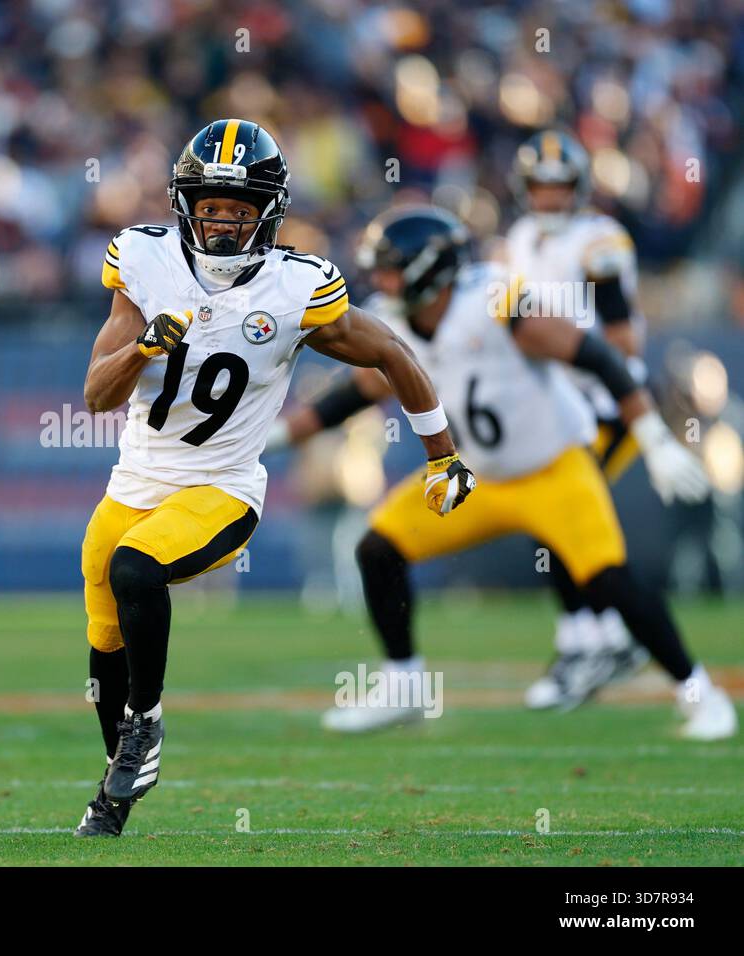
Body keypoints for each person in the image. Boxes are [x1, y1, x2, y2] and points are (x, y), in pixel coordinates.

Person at [73, 121, 475, 837]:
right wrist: (142, 348)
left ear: (269, 212)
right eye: (210, 206)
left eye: (240, 208)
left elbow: (393, 352)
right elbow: (98, 395)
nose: (223, 222)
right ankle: (112, 797)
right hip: (133, 483)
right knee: (105, 639)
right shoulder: (143, 261)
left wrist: (441, 454)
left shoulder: (295, 288)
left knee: (136, 569)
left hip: (222, 487)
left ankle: (147, 723)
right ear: (185, 205)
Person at [271, 206, 734, 741]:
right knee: (379, 548)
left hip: (553, 469)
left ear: (429, 270)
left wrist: (652, 437)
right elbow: (355, 395)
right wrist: (278, 437)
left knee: (610, 580)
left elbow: (598, 358)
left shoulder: (494, 302)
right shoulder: (395, 321)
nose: (382, 282)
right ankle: (404, 688)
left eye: (393, 269)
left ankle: (702, 696)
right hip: (479, 477)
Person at [502, 130, 710, 709]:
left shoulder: (599, 240)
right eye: (539, 186)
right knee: (553, 522)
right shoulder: (519, 238)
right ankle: (596, 640)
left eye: (559, 186)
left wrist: (610, 386)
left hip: (606, 404)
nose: (549, 197)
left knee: (563, 517)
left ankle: (595, 643)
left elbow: (620, 337)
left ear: (578, 188)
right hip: (552, 404)